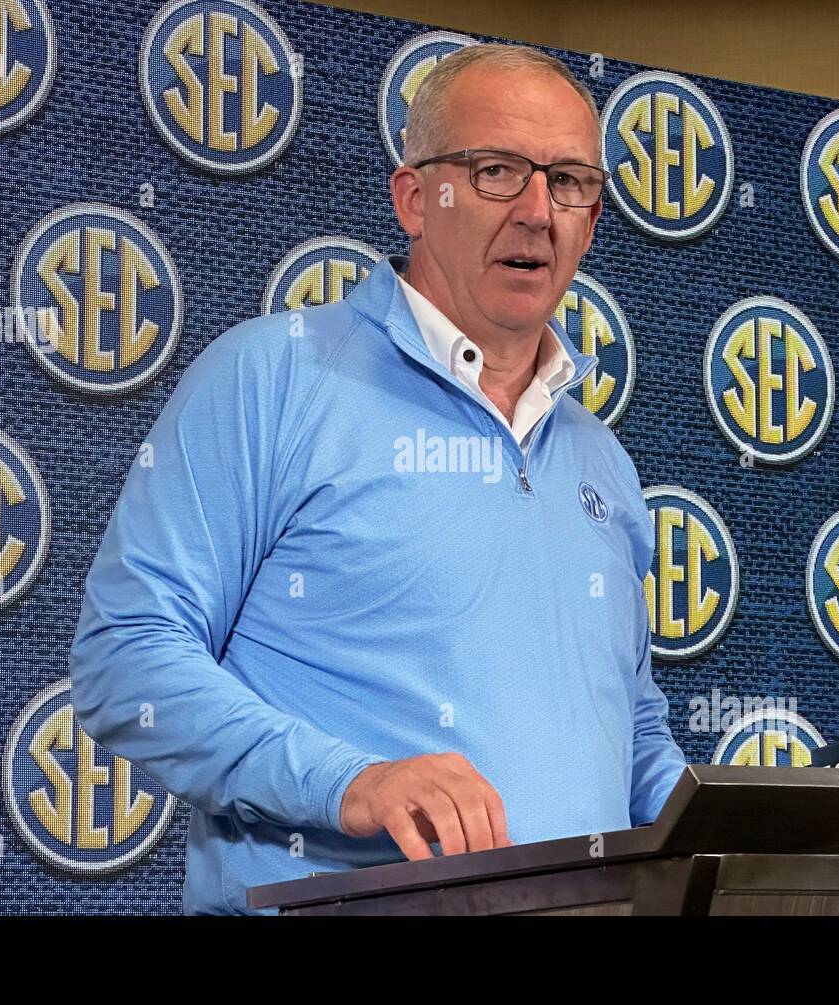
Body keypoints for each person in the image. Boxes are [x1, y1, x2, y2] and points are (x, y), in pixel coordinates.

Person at [69, 42, 687, 916]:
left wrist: (764, 828)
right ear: (413, 198)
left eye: (571, 181)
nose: (538, 211)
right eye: (497, 171)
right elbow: (125, 660)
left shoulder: (602, 462)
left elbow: (631, 731)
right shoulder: (271, 380)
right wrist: (350, 782)